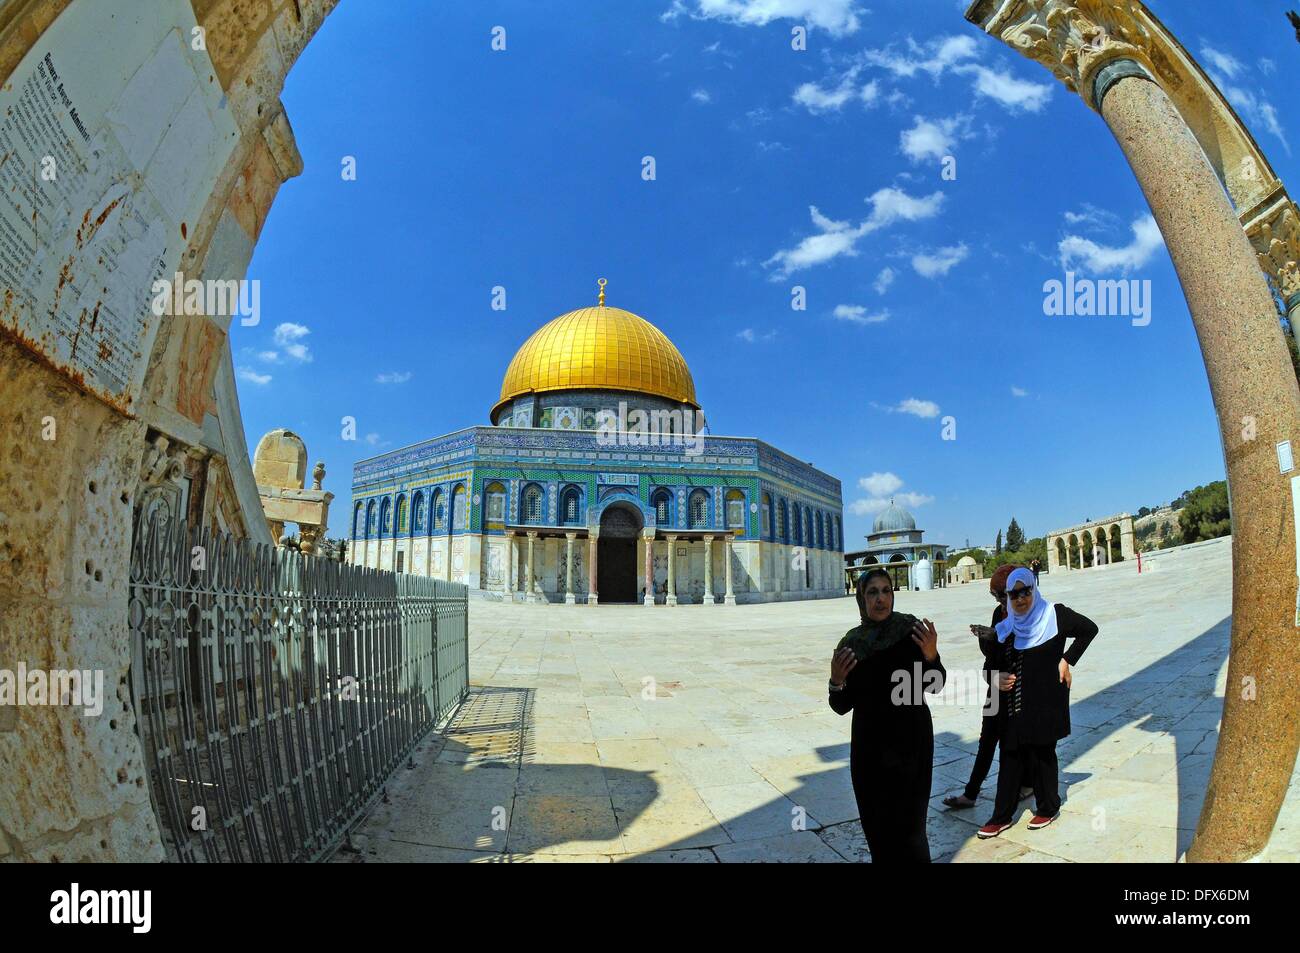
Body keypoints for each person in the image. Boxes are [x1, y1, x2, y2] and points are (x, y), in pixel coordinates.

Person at [829, 568, 946, 862]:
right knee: (878, 831)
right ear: (861, 598)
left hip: (912, 747)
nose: (881, 599)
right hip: (870, 753)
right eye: (872, 592)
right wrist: (836, 681)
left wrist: (932, 656)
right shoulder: (853, 644)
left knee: (911, 831)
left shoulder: (911, 632)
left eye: (886, 591)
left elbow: (936, 685)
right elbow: (842, 705)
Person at [977, 568, 1098, 838]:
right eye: (1013, 594)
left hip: (1044, 702)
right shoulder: (1004, 628)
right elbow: (988, 667)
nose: (1020, 599)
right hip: (1013, 707)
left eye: (1025, 591)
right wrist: (995, 678)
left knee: (1042, 754)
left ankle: (1047, 807)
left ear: (1033, 589)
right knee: (1009, 759)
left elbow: (1089, 630)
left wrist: (1067, 660)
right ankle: (1001, 816)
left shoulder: (1055, 615)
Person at [941, 564, 1033, 810]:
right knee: (987, 740)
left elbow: (1025, 650)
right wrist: (987, 639)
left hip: (1018, 691)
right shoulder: (998, 613)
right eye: (997, 596)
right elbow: (991, 656)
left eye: (1005, 595)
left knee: (1012, 746)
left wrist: (996, 637)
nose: (1002, 601)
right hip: (996, 688)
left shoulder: (1028, 614)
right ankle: (971, 793)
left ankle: (1019, 789)